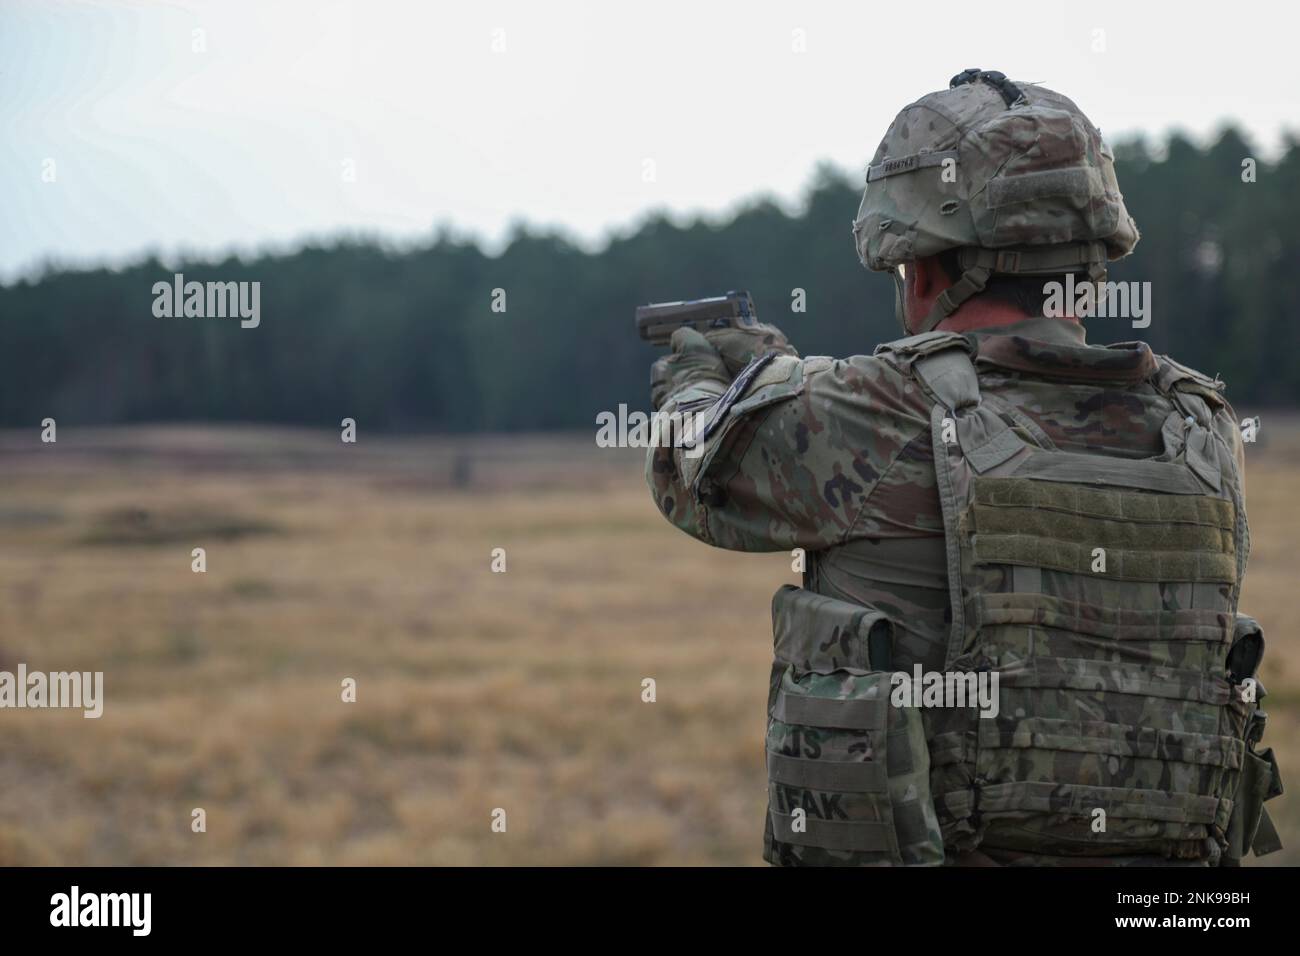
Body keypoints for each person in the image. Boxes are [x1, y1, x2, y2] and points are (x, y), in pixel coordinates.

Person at [645, 70, 1282, 867]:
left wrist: (702, 378)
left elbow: (689, 468)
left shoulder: (874, 410)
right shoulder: (1201, 428)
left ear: (922, 267)